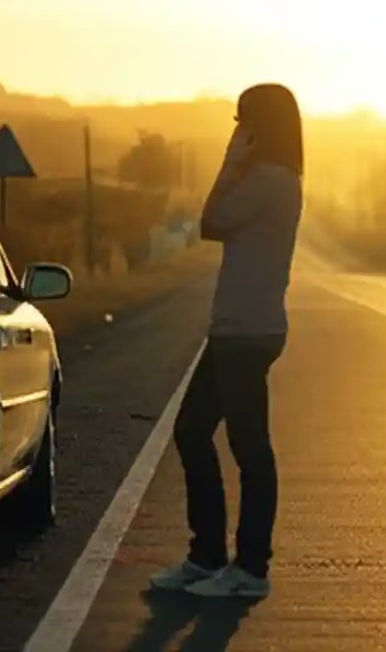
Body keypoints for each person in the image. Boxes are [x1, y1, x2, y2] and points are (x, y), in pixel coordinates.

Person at [150, 83, 305, 599]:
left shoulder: (269, 180)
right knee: (193, 431)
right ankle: (208, 556)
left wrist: (226, 162)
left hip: (247, 331)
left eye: (243, 121)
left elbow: (210, 223)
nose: (238, 130)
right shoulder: (272, 179)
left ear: (263, 127)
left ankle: (250, 569)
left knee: (249, 448)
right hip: (237, 329)